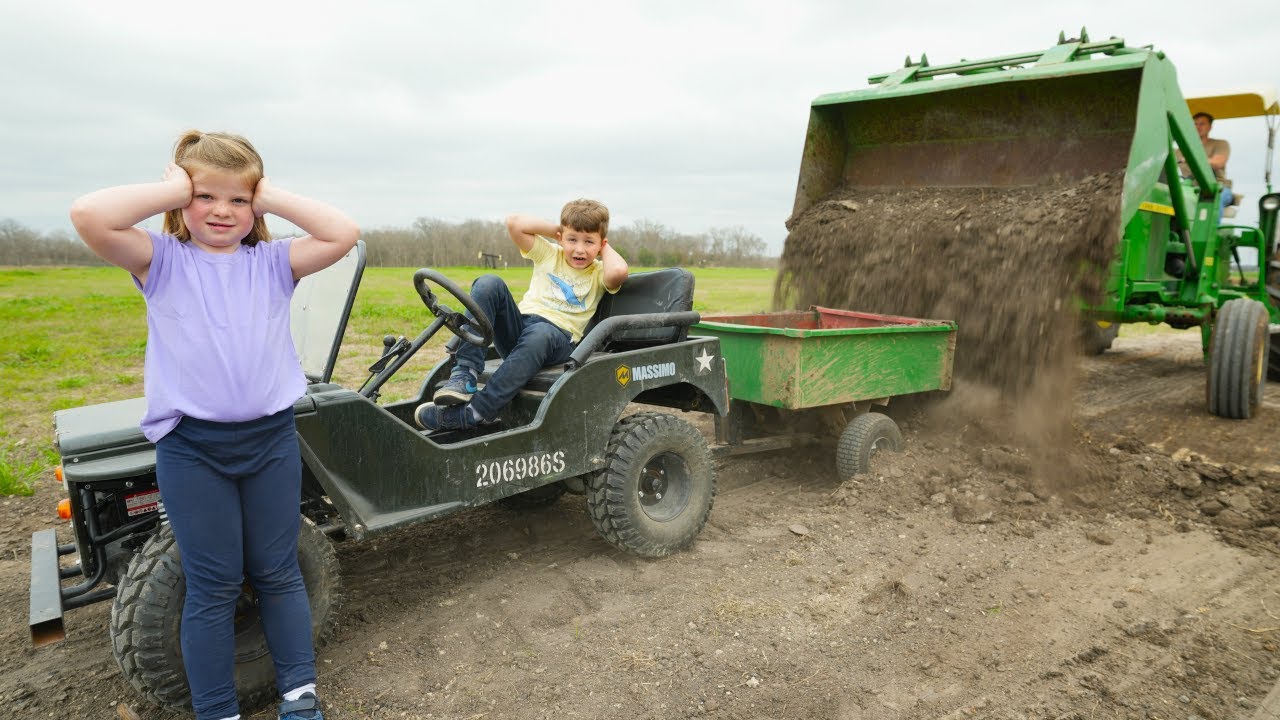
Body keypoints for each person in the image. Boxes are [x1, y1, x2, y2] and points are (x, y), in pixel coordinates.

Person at [70, 130, 359, 720]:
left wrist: (267, 193)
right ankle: (216, 710)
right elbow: (88, 214)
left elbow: (342, 233)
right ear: (182, 200)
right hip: (192, 448)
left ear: (256, 204)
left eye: (238, 199)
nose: (222, 211)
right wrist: (175, 186)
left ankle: (299, 698)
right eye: (206, 196)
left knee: (278, 572)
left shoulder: (275, 264)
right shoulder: (159, 261)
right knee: (214, 583)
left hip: (270, 441)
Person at [415, 198, 629, 431]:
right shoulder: (550, 254)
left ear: (601, 244)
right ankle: (464, 374)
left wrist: (601, 244)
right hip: (521, 329)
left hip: (558, 339)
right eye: (572, 239)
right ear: (560, 237)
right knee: (489, 283)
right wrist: (562, 230)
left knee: (541, 333)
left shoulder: (598, 271)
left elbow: (618, 271)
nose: (579, 249)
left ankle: (475, 412)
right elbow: (514, 223)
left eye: (589, 241)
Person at [1178, 111, 1233, 217]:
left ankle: (1209, 232)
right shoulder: (1180, 150)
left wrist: (1191, 159)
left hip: (1216, 188)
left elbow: (1218, 163)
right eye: (1195, 124)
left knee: (1214, 200)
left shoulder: (1220, 144)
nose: (1198, 127)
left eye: (1202, 124)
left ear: (1210, 127)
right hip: (1188, 189)